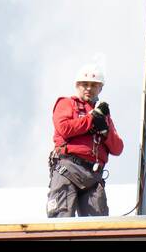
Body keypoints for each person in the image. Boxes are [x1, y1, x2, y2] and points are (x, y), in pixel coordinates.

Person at [47, 63, 123, 217]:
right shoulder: (66, 104)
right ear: (77, 86)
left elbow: (118, 148)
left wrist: (105, 132)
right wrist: (91, 120)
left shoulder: (103, 115)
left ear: (100, 88)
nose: (89, 88)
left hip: (93, 176)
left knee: (97, 228)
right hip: (68, 168)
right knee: (60, 221)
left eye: (94, 85)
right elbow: (64, 128)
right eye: (85, 84)